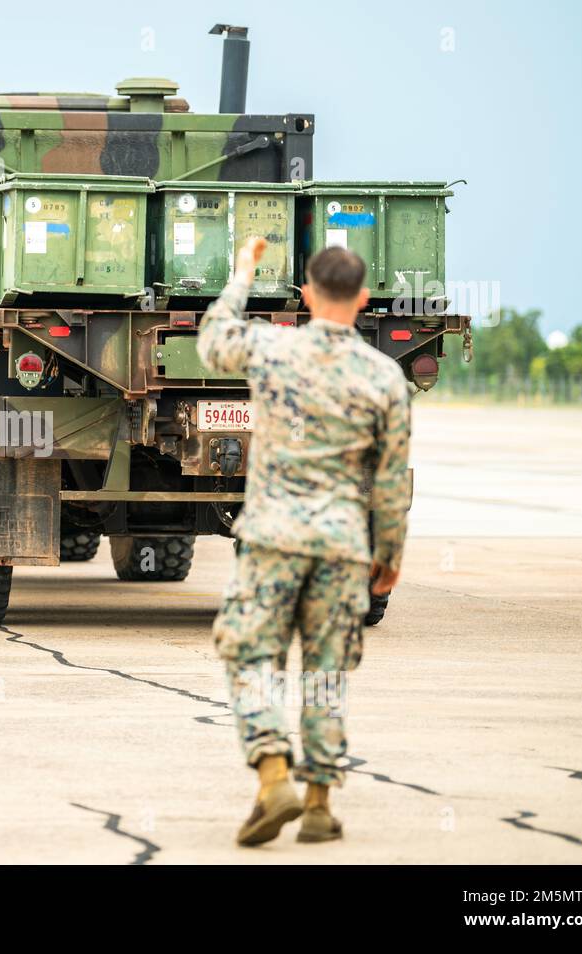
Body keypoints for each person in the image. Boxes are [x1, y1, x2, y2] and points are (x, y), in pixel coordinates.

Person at [196, 237, 411, 846]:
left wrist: (241, 274)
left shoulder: (273, 347)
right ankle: (318, 805)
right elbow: (391, 481)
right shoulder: (385, 377)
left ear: (307, 295)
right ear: (364, 299)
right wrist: (389, 555)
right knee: (325, 672)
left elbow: (213, 340)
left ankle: (272, 777)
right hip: (344, 546)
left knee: (250, 657)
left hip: (272, 540)